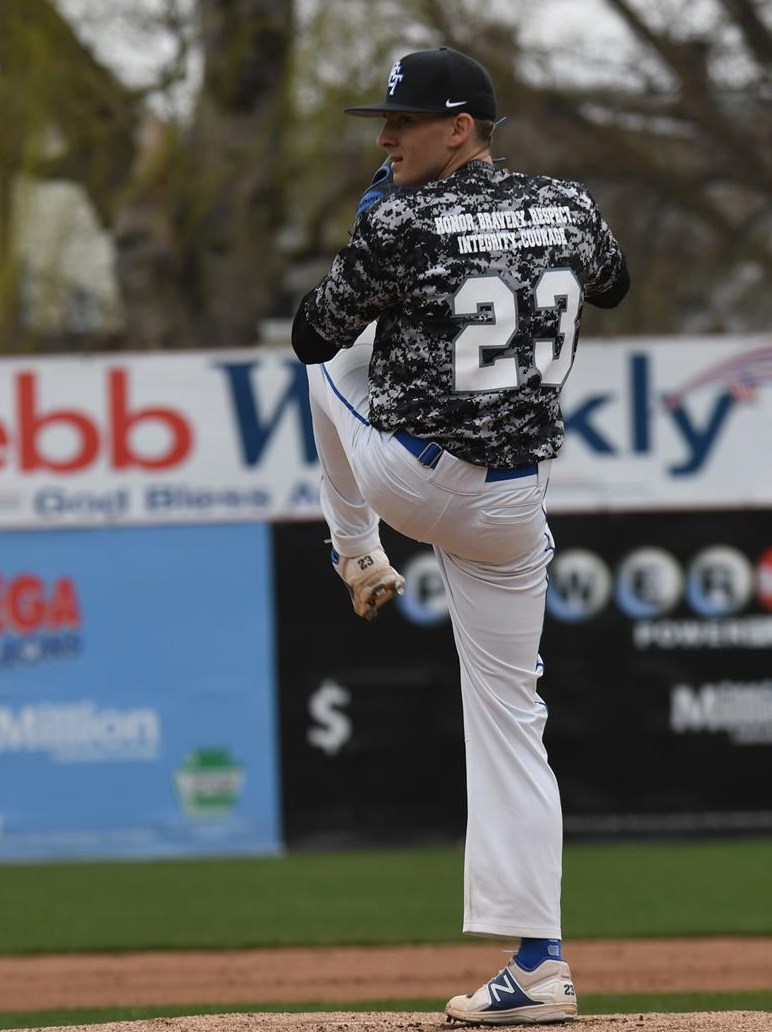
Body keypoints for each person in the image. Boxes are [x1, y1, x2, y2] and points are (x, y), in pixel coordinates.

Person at [291, 46, 629, 1025]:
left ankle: (353, 548)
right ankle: (540, 963)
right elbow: (611, 283)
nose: (386, 136)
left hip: (413, 479)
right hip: (514, 509)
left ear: (462, 128)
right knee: (515, 719)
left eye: (405, 120)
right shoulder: (566, 203)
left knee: (323, 373)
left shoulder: (398, 219)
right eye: (382, 122)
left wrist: (374, 232)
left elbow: (314, 333)